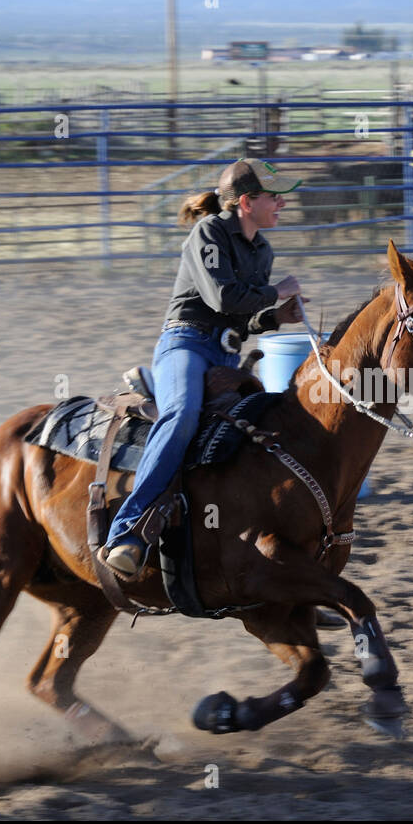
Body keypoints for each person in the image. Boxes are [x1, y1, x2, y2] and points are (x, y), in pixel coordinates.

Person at [102, 158, 306, 577]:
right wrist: (275, 291)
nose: (282, 203)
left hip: (227, 354)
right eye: (274, 196)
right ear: (247, 202)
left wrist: (273, 319)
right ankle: (126, 531)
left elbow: (240, 319)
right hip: (187, 343)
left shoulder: (261, 249)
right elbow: (222, 298)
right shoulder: (209, 232)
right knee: (181, 417)